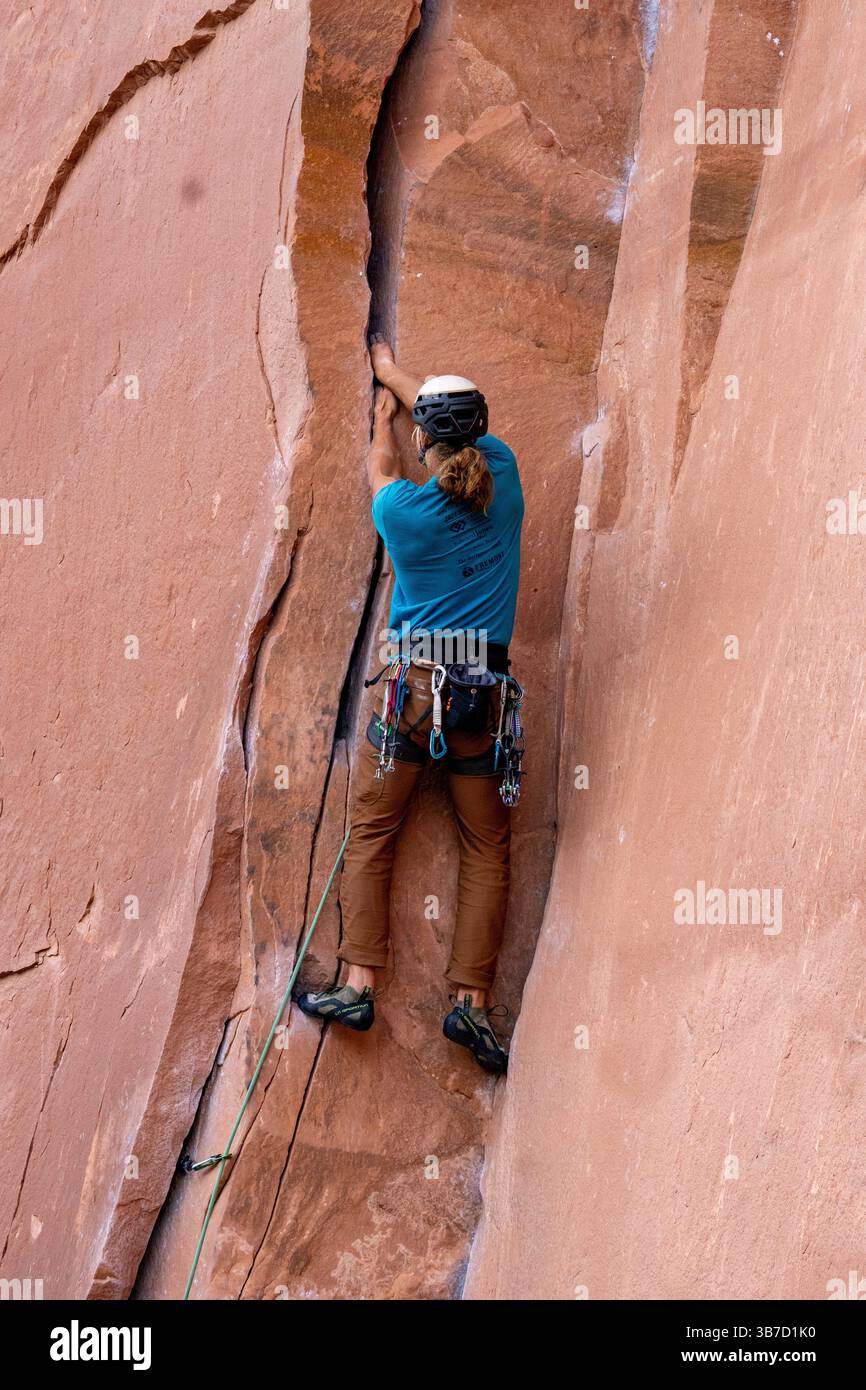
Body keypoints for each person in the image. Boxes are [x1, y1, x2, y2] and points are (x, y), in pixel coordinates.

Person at [297, 337, 524, 1074]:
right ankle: (472, 1005)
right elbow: (459, 432)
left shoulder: (402, 511)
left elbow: (382, 466)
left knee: (372, 829)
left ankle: (360, 984)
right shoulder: (509, 476)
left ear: (425, 434)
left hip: (413, 697)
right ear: (481, 431)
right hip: (479, 702)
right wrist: (404, 377)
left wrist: (381, 408)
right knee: (485, 846)